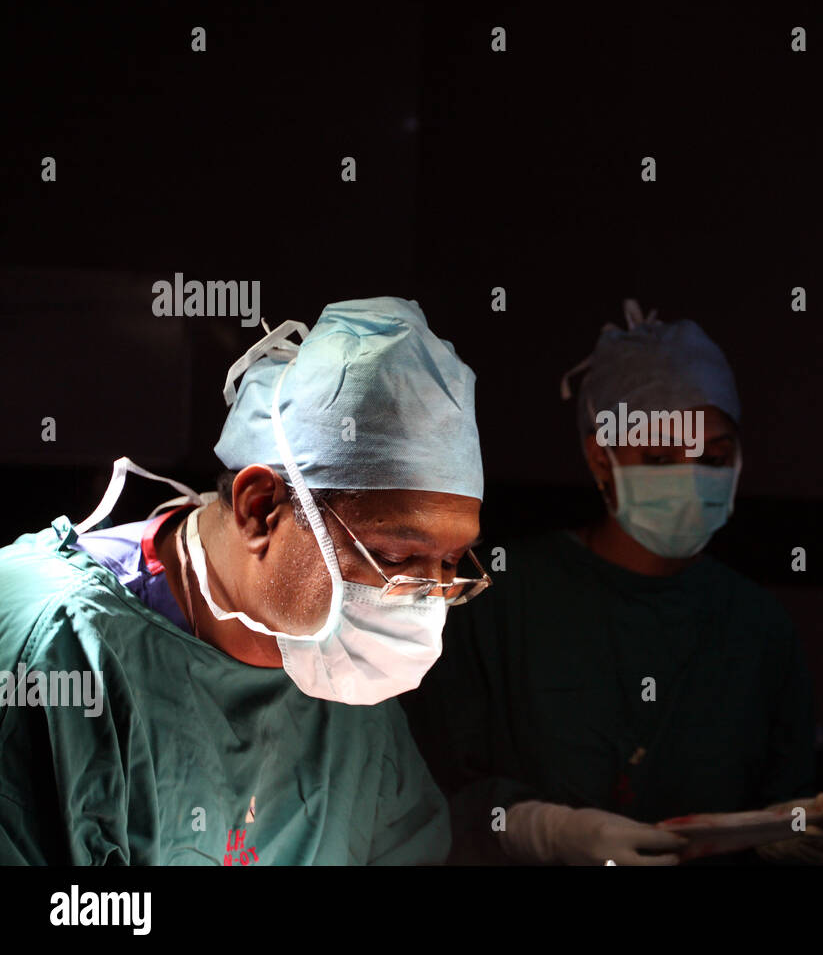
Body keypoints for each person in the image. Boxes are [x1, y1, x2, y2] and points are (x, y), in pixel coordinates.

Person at [0, 297, 487, 865]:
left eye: (452, 563)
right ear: (259, 509)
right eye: (393, 555)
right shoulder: (53, 646)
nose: (419, 601)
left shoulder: (341, 667)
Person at [402, 300, 823, 865]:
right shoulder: (498, 599)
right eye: (658, 457)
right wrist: (538, 830)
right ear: (601, 457)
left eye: (714, 457)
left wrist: (799, 829)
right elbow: (419, 796)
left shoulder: (757, 627)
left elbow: (784, 796)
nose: (691, 478)